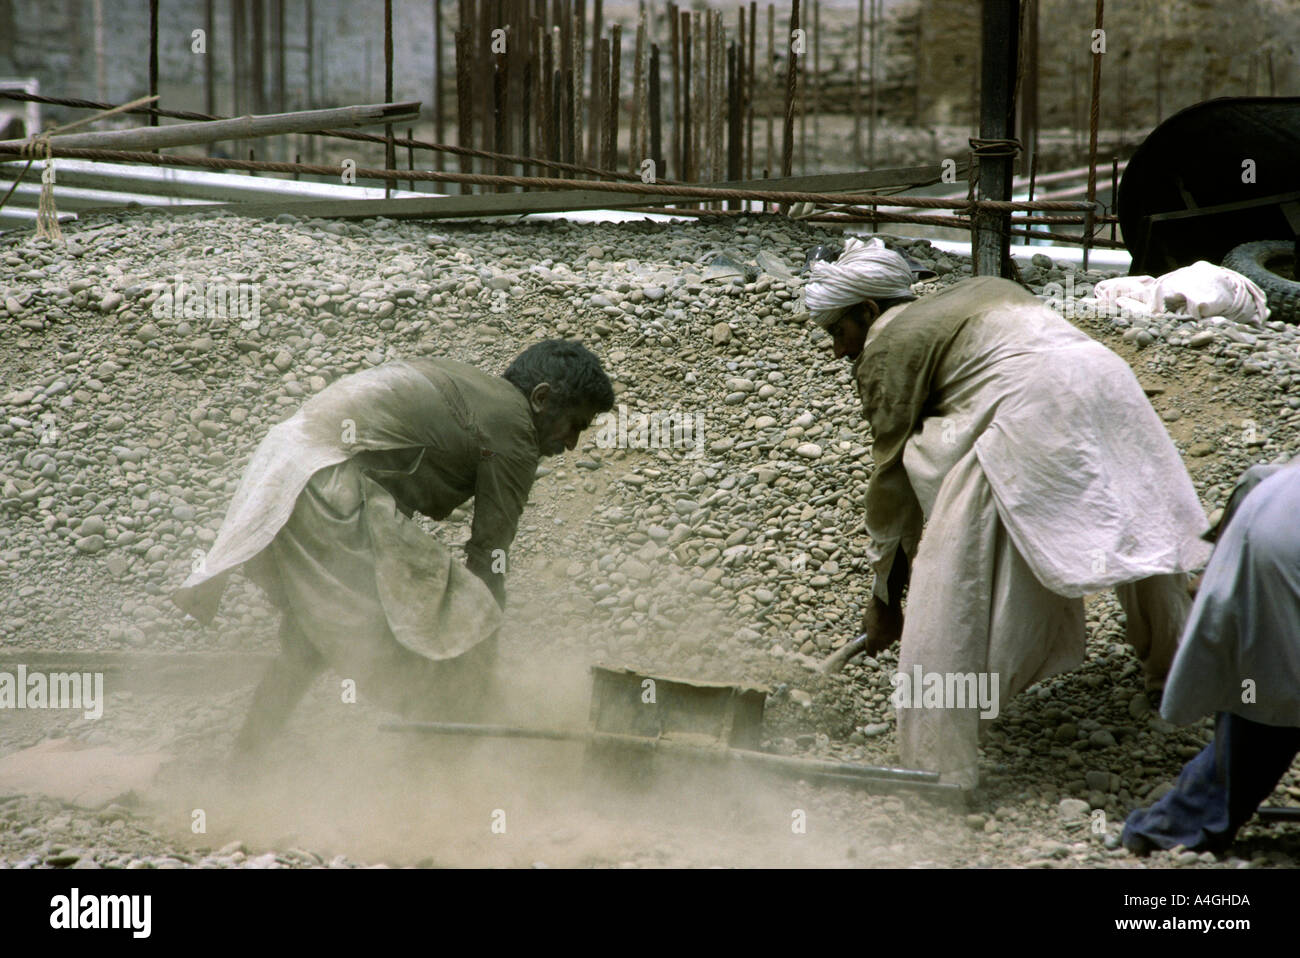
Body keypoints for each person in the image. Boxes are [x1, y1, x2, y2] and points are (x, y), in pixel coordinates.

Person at [805, 237, 1211, 787]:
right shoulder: (971, 293)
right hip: (1107, 380)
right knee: (1140, 526)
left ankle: (937, 761)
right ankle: (1179, 682)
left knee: (950, 571)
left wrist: (885, 599)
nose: (837, 350)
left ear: (869, 311)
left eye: (837, 331)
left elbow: (891, 482)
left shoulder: (885, 345)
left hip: (1036, 403)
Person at [173, 340, 614, 754]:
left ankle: (244, 765)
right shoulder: (515, 427)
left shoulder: (481, 392)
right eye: (574, 424)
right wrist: (479, 661)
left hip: (286, 469)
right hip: (325, 480)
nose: (571, 444)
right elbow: (489, 555)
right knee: (433, 630)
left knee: (309, 640)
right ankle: (436, 774)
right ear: (540, 398)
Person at [1123, 459, 1300, 855]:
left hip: (1270, 511)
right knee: (1271, 703)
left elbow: (1256, 476)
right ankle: (1175, 827)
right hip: (1280, 543)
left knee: (1263, 698)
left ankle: (1174, 826)